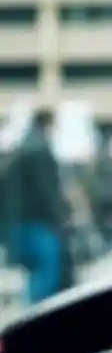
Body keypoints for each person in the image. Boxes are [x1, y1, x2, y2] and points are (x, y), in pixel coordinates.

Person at [7, 108, 69, 304]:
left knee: (35, 272)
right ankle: (38, 318)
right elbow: (46, 189)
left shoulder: (22, 147)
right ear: (48, 123)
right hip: (40, 221)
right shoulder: (40, 149)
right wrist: (59, 216)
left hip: (21, 220)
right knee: (47, 273)